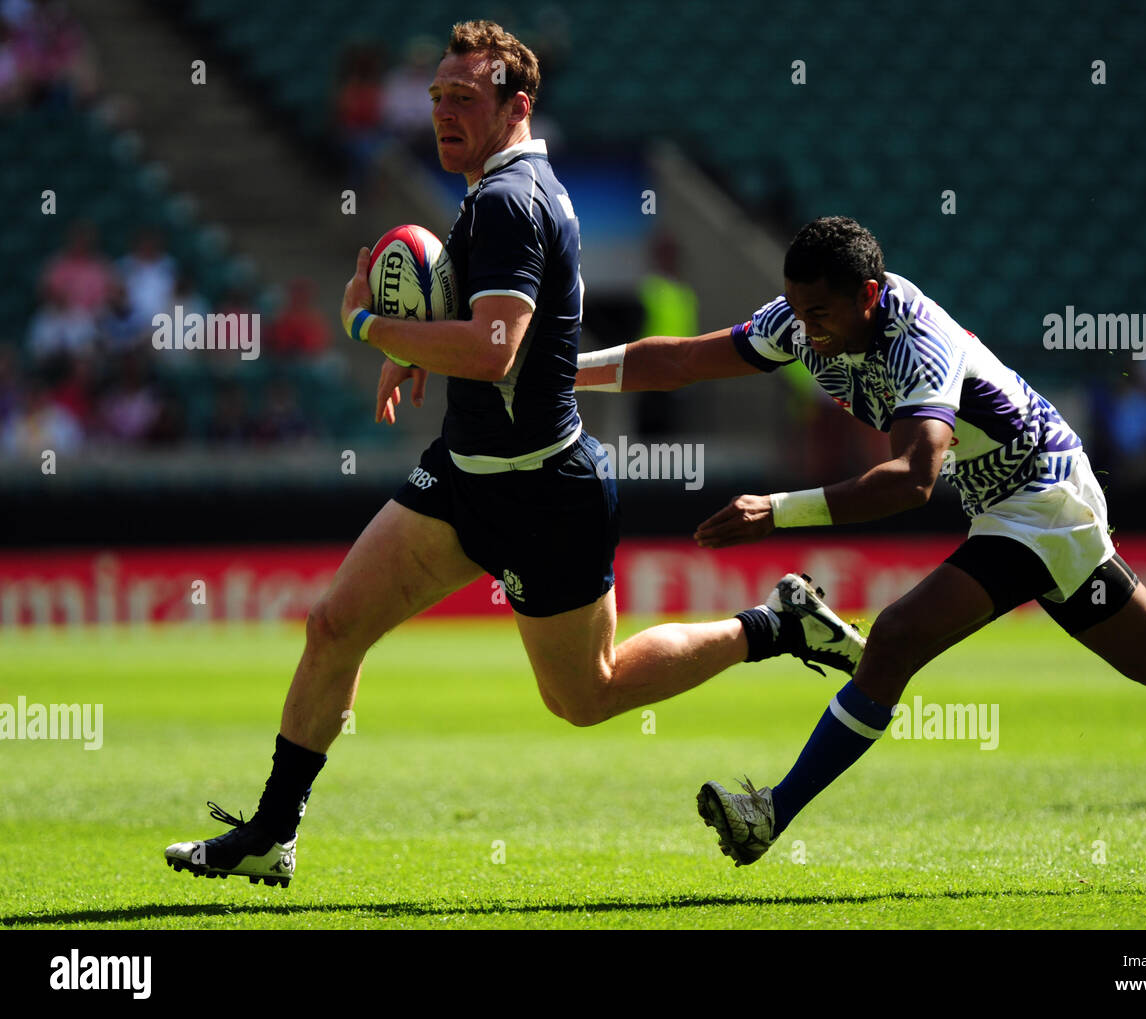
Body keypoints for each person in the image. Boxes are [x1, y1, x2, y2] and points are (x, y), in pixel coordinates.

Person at [162, 22, 863, 887]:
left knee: (586, 695)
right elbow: (481, 331)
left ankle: (776, 626)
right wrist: (408, 347)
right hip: (465, 475)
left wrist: (367, 326)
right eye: (436, 99)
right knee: (335, 625)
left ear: (517, 105)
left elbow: (495, 349)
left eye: (465, 99)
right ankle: (272, 833)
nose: (444, 114)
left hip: (544, 493)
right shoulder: (495, 190)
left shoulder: (507, 200)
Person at [576, 215, 1146, 866]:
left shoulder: (920, 343)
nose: (803, 329)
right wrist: (559, 374)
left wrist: (780, 510)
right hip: (1007, 500)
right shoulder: (803, 317)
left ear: (867, 294)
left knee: (896, 636)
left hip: (1041, 494)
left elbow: (914, 477)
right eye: (794, 308)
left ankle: (769, 812)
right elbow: (679, 360)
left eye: (818, 312)